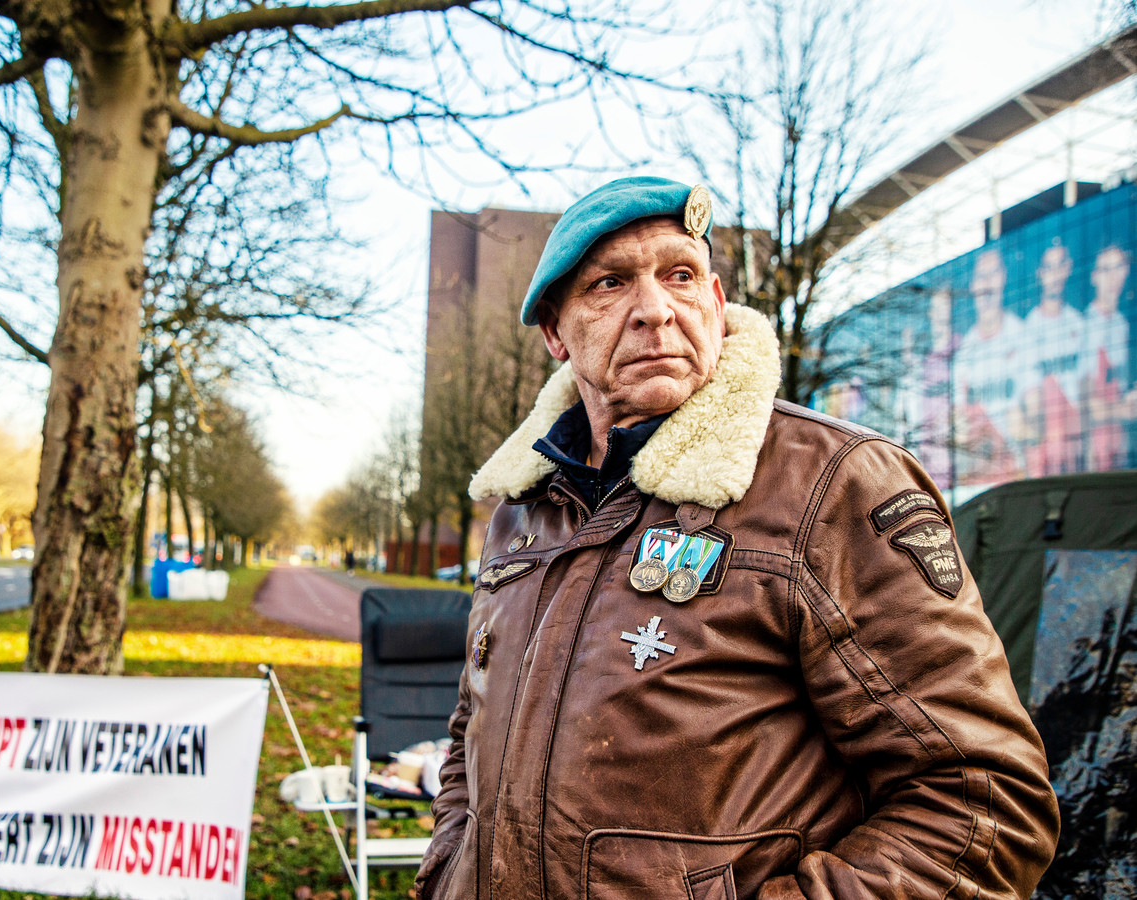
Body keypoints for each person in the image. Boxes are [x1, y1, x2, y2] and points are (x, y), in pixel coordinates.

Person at [415, 176, 1059, 900]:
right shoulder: (521, 506)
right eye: (610, 284)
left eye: (681, 275)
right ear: (556, 334)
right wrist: (447, 870)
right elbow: (471, 733)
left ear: (717, 305)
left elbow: (985, 802)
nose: (655, 310)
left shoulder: (834, 482)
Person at [954, 248, 1026, 486]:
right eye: (981, 276)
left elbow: (1038, 422)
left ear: (1004, 278)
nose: (986, 282)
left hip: (1016, 477)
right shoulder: (965, 352)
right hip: (978, 483)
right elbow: (960, 429)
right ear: (973, 285)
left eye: (993, 273)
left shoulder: (1023, 336)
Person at [1017, 241, 1086, 476]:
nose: (1055, 275)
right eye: (1049, 267)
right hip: (1044, 454)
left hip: (1077, 449)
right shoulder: (1027, 332)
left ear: (1068, 268)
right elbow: (1031, 404)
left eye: (1060, 266)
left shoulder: (1080, 324)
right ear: (1040, 273)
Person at [1083, 244, 1133, 470]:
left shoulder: (1121, 324)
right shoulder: (1087, 327)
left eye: (1118, 267)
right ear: (1094, 277)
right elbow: (1089, 407)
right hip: (1095, 452)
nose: (1113, 277)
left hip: (1120, 445)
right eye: (1106, 269)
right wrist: (1126, 409)